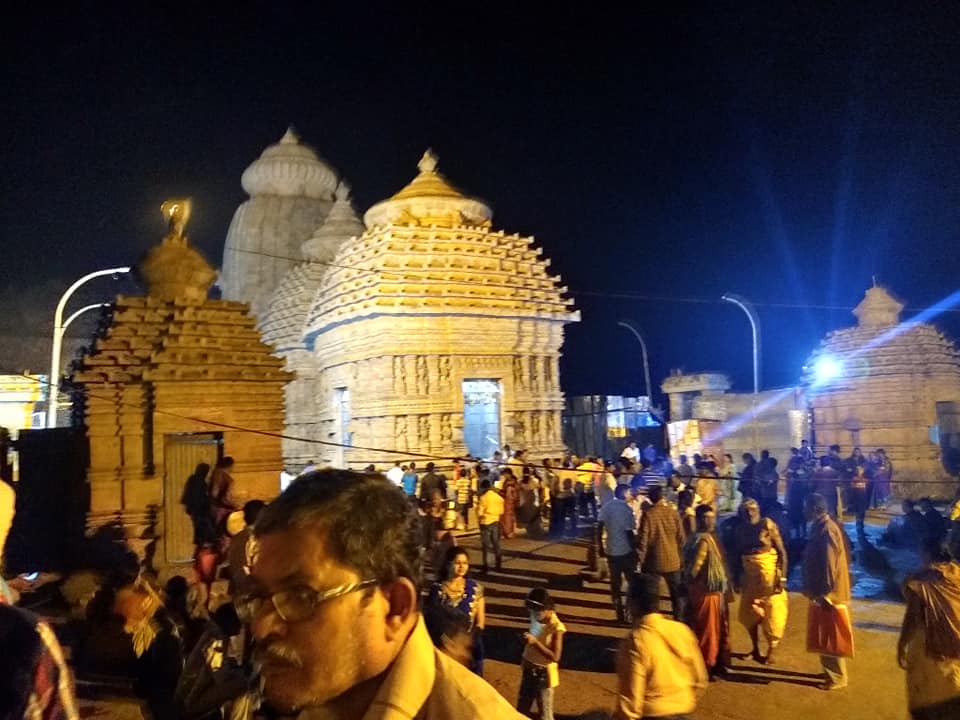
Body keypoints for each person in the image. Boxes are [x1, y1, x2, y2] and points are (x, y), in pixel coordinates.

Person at [240, 468, 524, 718]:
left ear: (394, 607)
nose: (261, 626)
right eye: (260, 596)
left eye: (301, 597)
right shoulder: (320, 697)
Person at [612, 573, 708, 720]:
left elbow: (631, 701)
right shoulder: (681, 630)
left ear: (632, 604)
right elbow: (700, 680)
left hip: (653, 714)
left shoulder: (636, 641)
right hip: (685, 710)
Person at [898, 534, 960, 718]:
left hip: (931, 645)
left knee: (929, 694)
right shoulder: (957, 573)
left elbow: (913, 616)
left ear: (925, 553)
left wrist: (901, 644)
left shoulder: (922, 580)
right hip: (956, 645)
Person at [802, 493, 853, 691]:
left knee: (832, 635)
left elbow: (830, 565)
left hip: (829, 594)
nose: (804, 510)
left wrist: (827, 594)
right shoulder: (821, 527)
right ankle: (829, 671)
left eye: (807, 507)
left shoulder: (827, 531)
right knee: (824, 633)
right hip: (822, 592)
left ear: (814, 509)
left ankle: (838, 676)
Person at [174, 602, 252, 719]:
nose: (241, 628)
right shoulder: (217, 640)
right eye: (239, 622)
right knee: (244, 684)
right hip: (191, 702)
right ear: (230, 621)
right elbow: (220, 677)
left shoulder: (213, 633)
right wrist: (243, 673)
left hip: (185, 696)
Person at [734, 498, 788, 665]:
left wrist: (782, 577)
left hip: (768, 574)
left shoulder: (767, 524)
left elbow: (782, 552)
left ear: (758, 510)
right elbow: (737, 555)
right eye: (747, 510)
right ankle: (755, 649)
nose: (750, 513)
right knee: (749, 613)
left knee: (773, 613)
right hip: (750, 575)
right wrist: (737, 577)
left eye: (753, 509)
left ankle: (771, 650)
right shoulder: (740, 529)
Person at [682, 505, 732, 678]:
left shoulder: (695, 538)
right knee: (709, 631)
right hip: (707, 593)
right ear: (699, 519)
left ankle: (713, 663)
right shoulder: (704, 540)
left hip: (704, 591)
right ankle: (707, 665)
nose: (711, 521)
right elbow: (695, 568)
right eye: (706, 518)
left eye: (712, 517)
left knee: (710, 629)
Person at [425, 546, 486, 675]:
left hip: (468, 646)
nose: (462, 567)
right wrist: (447, 644)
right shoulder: (437, 590)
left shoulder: (475, 588)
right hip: (443, 648)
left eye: (465, 563)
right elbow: (432, 622)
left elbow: (480, 623)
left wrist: (470, 640)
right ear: (448, 564)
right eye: (457, 563)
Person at [636, 485, 685, 620]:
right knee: (677, 596)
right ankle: (679, 621)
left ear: (651, 499)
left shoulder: (648, 515)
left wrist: (640, 561)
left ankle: (656, 624)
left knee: (653, 597)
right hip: (673, 561)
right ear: (662, 497)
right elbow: (681, 538)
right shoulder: (673, 513)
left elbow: (643, 541)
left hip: (653, 562)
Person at [517, 587, 565, 720]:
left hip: (543, 675)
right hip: (529, 668)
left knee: (546, 715)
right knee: (521, 710)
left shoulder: (556, 627)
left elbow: (556, 657)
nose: (533, 613)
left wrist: (534, 643)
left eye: (536, 609)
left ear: (547, 608)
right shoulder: (537, 617)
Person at [597, 484, 638, 624]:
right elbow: (629, 532)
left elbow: (599, 527)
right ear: (625, 493)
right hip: (625, 551)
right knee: (631, 583)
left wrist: (600, 546)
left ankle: (618, 611)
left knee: (615, 584)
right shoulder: (626, 509)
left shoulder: (607, 507)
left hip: (611, 551)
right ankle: (629, 612)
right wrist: (635, 550)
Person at [182, 462, 217, 548]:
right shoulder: (201, 483)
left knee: (199, 530)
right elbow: (201, 498)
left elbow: (187, 494)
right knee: (204, 530)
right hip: (201, 511)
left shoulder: (192, 480)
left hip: (195, 510)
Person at [476, 478, 505, 573]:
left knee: (486, 546)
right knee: (496, 544)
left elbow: (480, 512)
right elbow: (502, 511)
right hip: (496, 520)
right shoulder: (498, 497)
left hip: (485, 522)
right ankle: (498, 565)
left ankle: (486, 566)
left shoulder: (483, 498)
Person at [209, 457, 238, 537]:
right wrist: (235, 506)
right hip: (224, 510)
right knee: (225, 534)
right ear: (229, 466)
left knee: (217, 533)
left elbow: (213, 494)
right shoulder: (227, 479)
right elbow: (227, 498)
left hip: (214, 508)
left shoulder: (214, 475)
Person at [500, 467, 520, 539]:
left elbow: (512, 494)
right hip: (506, 501)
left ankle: (509, 532)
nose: (504, 476)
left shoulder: (511, 483)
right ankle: (506, 532)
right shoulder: (508, 482)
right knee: (504, 517)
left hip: (510, 502)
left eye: (505, 474)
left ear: (509, 474)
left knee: (508, 518)